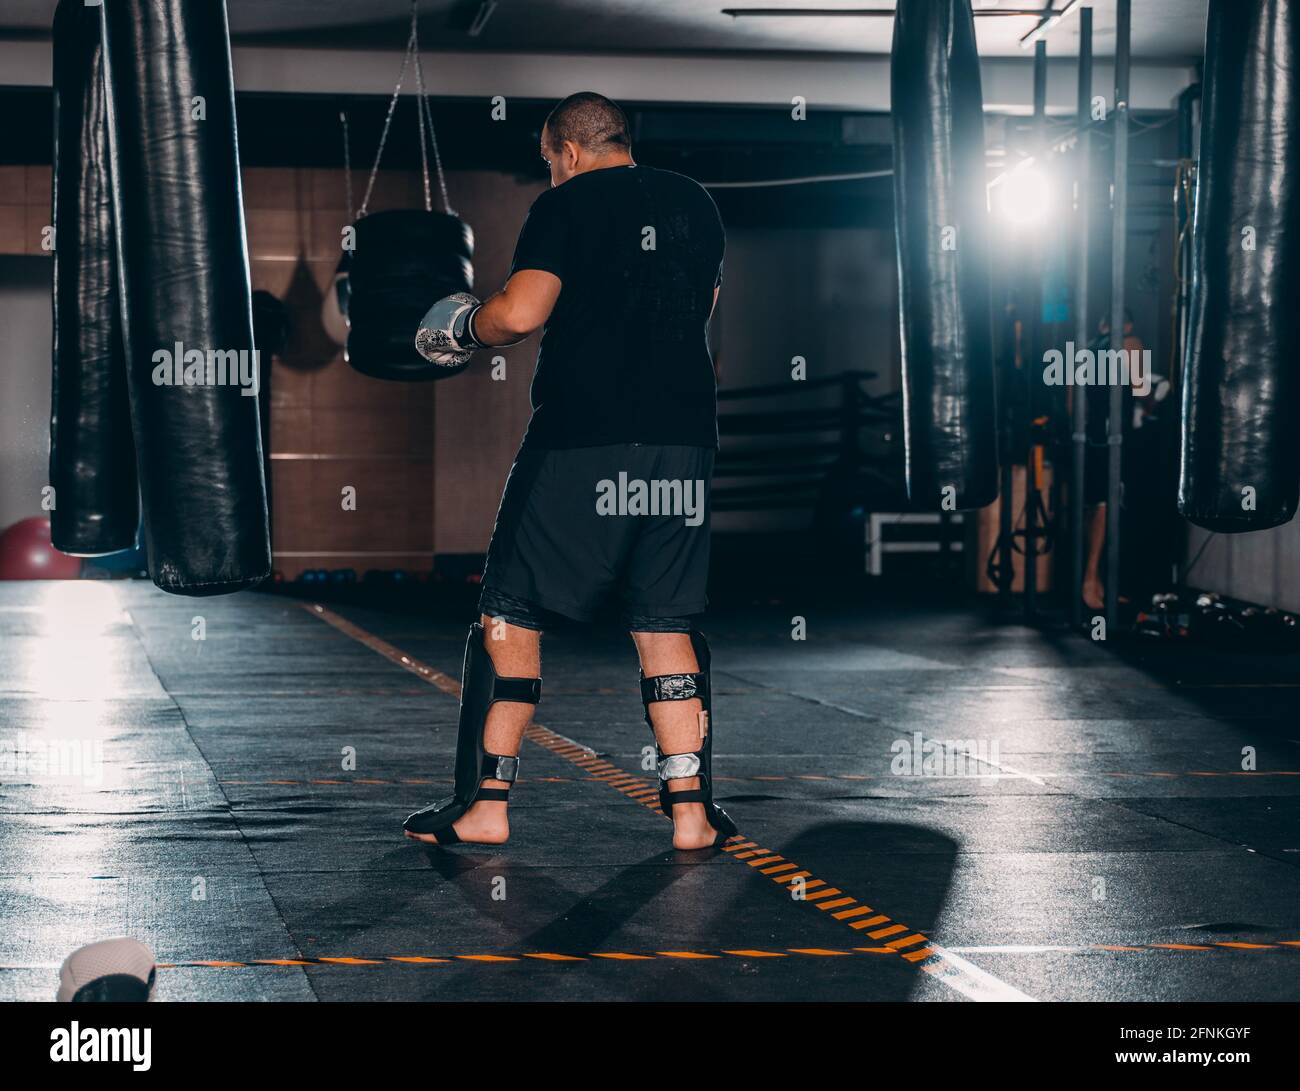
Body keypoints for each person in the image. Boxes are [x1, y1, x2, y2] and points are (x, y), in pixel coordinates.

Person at [405, 92, 734, 850]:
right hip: (684, 442)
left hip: (585, 437)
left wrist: (463, 325)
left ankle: (485, 805)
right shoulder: (697, 204)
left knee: (509, 608)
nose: (553, 170)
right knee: (666, 619)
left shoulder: (568, 202)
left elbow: (520, 313)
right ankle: (690, 811)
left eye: (550, 159)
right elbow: (701, 306)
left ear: (569, 150)